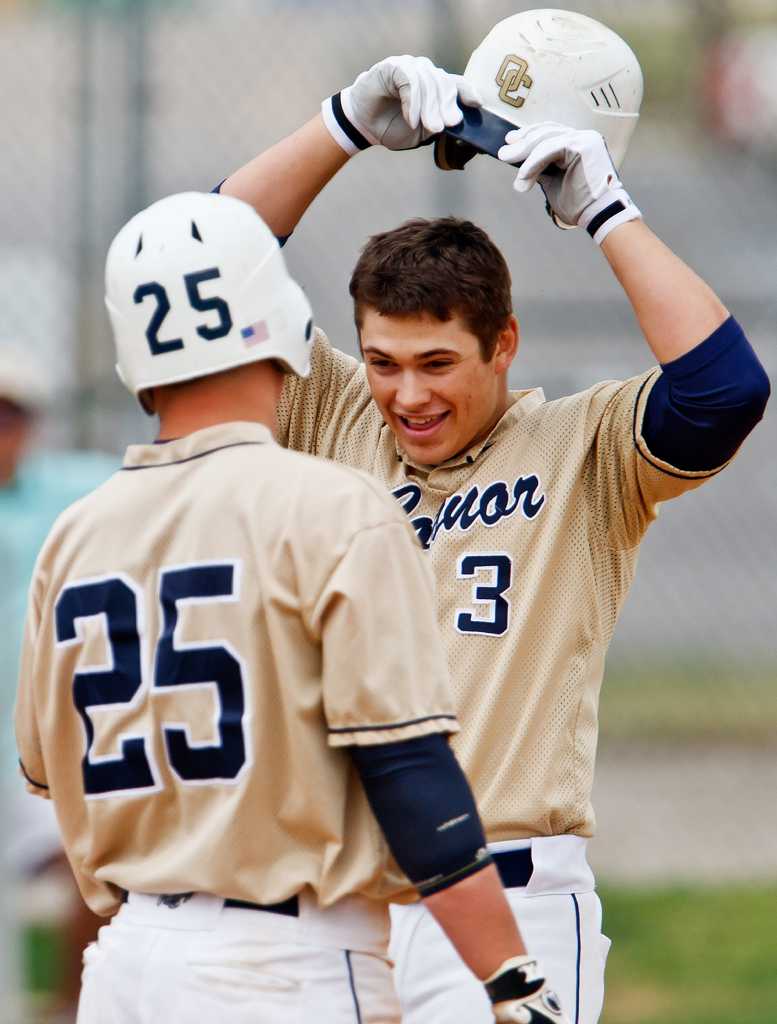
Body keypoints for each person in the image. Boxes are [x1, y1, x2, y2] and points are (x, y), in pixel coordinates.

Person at [215, 15, 771, 1024]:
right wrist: (343, 123)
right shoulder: (337, 411)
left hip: (508, 893)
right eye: (384, 361)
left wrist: (607, 210)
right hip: (333, 907)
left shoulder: (581, 449)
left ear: (504, 343)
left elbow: (723, 389)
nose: (406, 395)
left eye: (437, 364)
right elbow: (208, 265)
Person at [15, 190, 575, 1024]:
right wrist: (507, 978)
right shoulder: (336, 507)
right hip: (284, 966)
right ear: (279, 326)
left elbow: (42, 768)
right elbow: (408, 773)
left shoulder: (76, 531)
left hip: (124, 964)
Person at [0, 344, 115, 1020]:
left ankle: (71, 1007)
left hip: (42, 735)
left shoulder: (67, 488)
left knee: (91, 861)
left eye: (10, 416)